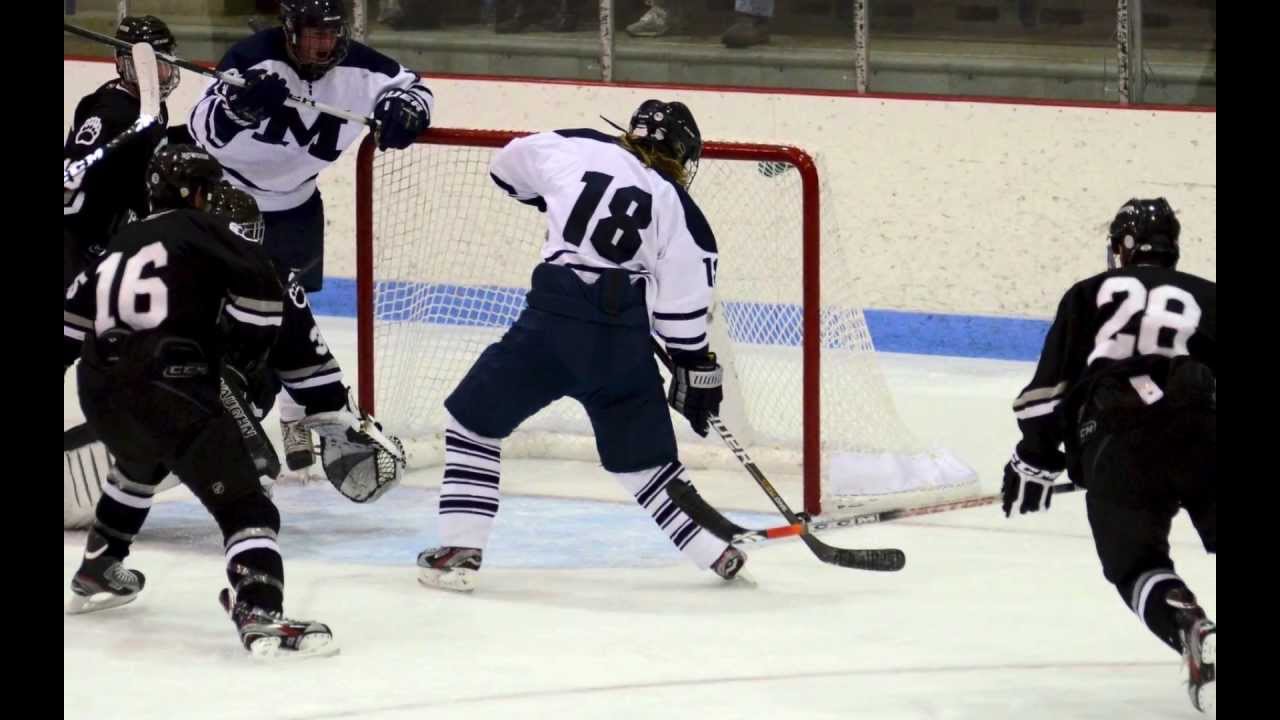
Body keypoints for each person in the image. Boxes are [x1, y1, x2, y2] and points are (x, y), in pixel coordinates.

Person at [416, 99, 748, 592]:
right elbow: (681, 315)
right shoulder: (681, 207)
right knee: (644, 461)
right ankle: (713, 549)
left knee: (471, 423)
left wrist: (553, 196)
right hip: (622, 343)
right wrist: (692, 366)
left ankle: (461, 548)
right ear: (682, 154)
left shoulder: (577, 147)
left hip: (551, 327)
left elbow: (506, 166)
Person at [66, 145, 337, 658]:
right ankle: (259, 610)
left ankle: (100, 565)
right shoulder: (205, 231)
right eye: (207, 188)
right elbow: (262, 304)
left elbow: (67, 328)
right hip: (171, 385)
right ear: (190, 194)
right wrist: (243, 362)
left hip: (99, 388)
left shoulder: (118, 243)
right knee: (245, 503)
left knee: (137, 462)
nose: (214, 197)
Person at [187, 0, 434, 472]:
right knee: (234, 310)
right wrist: (238, 109)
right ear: (289, 30)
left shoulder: (362, 67)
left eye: (330, 33)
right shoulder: (252, 57)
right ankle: (218, 398)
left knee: (292, 313)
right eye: (311, 34)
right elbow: (202, 130)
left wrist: (408, 110)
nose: (322, 44)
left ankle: (293, 415)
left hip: (297, 206)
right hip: (229, 200)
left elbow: (415, 88)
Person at [1003, 198, 1216, 717]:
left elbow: (1047, 394)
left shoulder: (1086, 295)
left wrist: (1033, 458)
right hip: (1206, 429)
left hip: (1118, 436)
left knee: (1136, 563)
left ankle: (1184, 619)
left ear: (1120, 248)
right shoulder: (1211, 296)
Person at [64, 15, 181, 291]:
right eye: (146, 67)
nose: (155, 75)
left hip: (121, 234)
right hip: (80, 236)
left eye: (162, 64)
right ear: (122, 65)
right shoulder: (110, 112)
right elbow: (74, 170)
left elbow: (152, 146)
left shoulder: (152, 106)